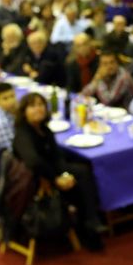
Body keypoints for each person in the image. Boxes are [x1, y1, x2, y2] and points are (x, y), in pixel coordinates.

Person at [12, 92, 105, 250]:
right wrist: (56, 178)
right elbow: (34, 162)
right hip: (35, 181)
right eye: (33, 106)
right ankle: (90, 225)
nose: (38, 109)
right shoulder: (22, 134)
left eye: (41, 105)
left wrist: (65, 174)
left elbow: (57, 155)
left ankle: (90, 222)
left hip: (51, 171)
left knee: (83, 170)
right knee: (82, 182)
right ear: (24, 111)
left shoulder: (44, 129)